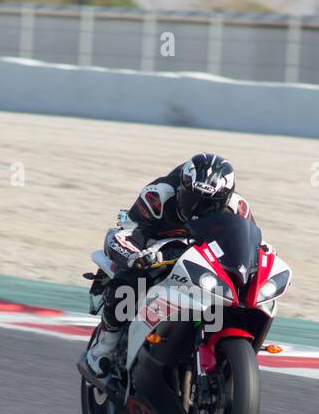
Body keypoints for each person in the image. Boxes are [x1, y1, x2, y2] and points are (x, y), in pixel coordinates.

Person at [82, 152, 251, 377]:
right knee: (128, 280)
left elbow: (246, 244)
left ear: (224, 198)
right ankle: (104, 345)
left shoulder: (238, 207)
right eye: (192, 200)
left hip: (203, 259)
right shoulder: (158, 195)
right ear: (182, 186)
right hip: (157, 250)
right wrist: (136, 256)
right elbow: (125, 234)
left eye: (208, 205)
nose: (197, 211)